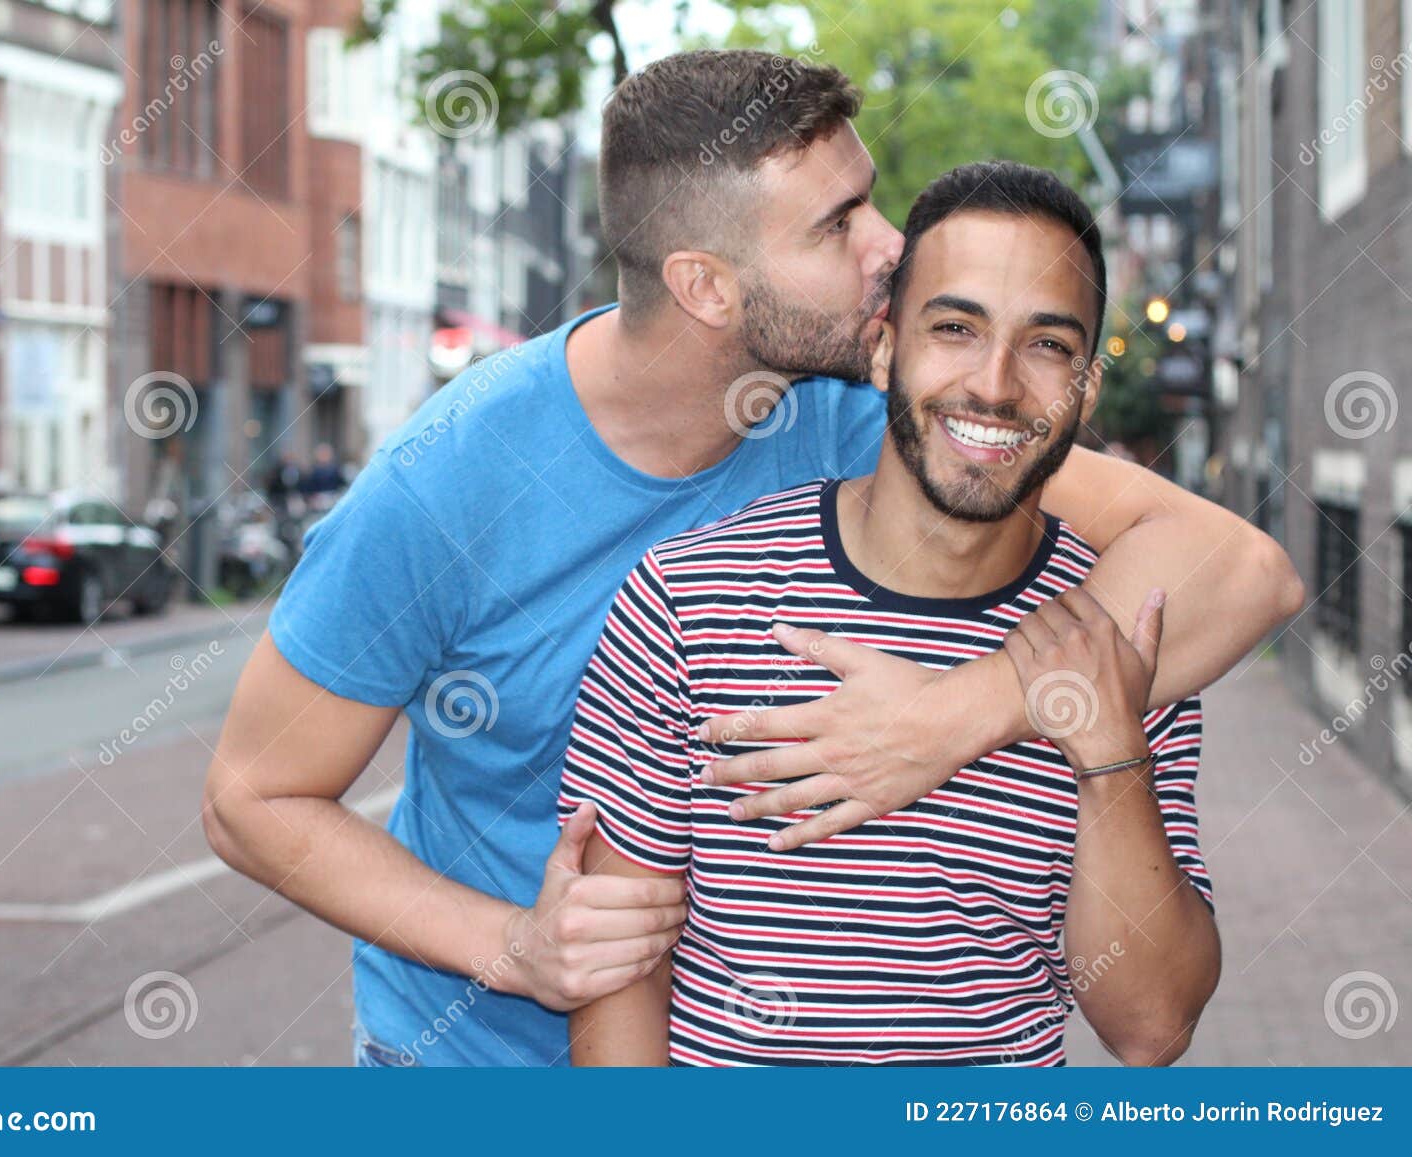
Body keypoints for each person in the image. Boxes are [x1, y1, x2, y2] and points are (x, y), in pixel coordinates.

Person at [203, 52, 1299, 1068]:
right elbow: (252, 795)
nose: (890, 247)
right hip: (468, 1059)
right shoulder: (447, 485)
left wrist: (949, 717)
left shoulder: (844, 404)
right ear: (708, 287)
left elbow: (1238, 568)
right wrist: (514, 946)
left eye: (871, 198)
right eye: (838, 225)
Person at [561, 162, 1222, 1067]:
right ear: (882, 349)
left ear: (1086, 391)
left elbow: (1151, 1029)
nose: (994, 384)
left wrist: (1109, 753)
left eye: (1047, 345)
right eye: (954, 328)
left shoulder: (1114, 632)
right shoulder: (688, 597)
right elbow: (616, 972)